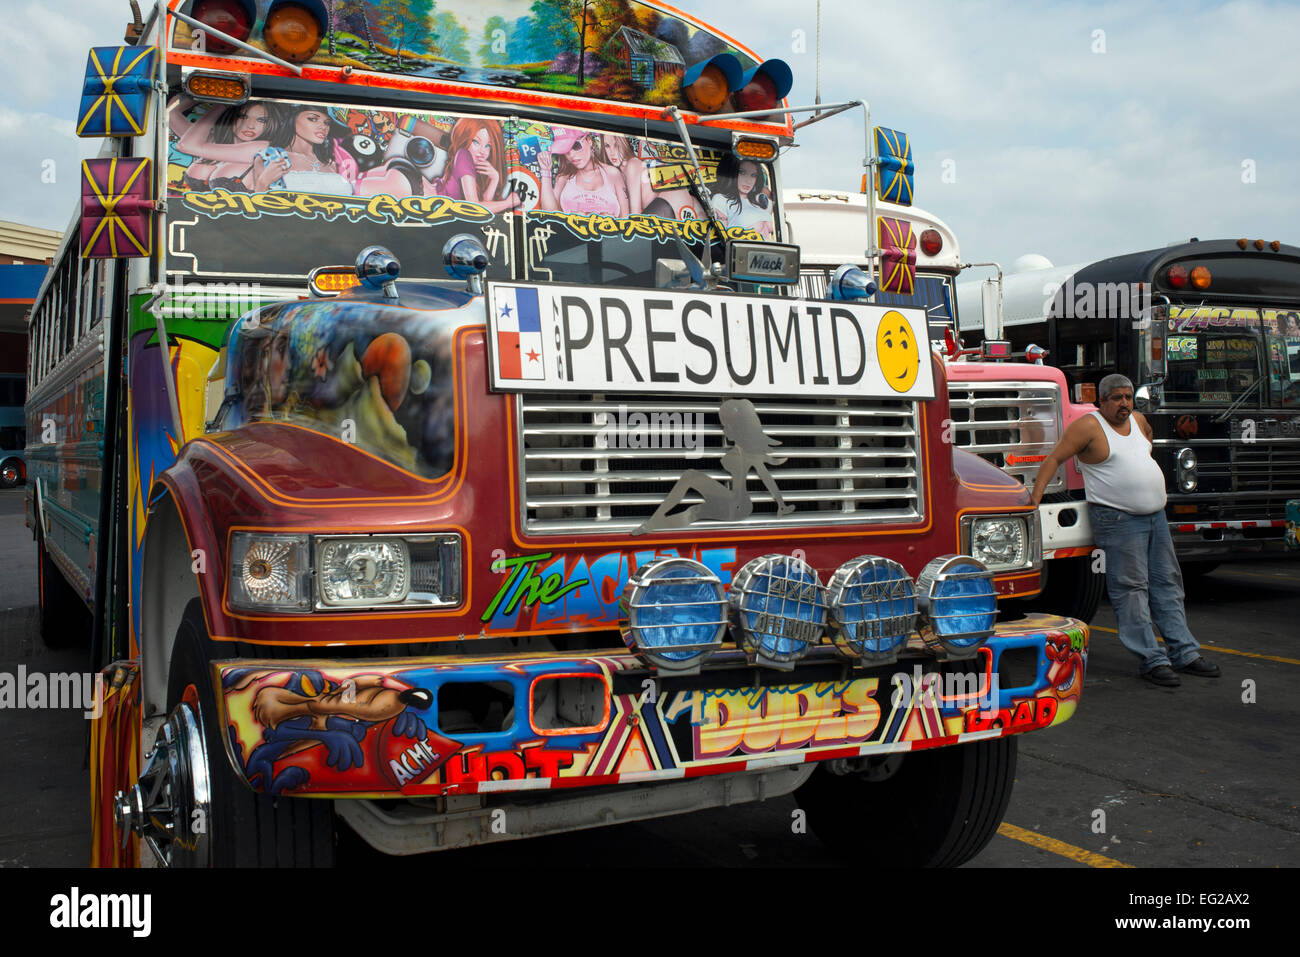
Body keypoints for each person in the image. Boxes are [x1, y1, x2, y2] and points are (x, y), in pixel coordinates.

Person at [1030, 374, 1219, 687]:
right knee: (1131, 589)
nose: (1124, 404)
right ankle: (1152, 659)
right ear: (1101, 401)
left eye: (1128, 397)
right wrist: (1034, 500)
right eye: (1116, 398)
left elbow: (1143, 455)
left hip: (1155, 517)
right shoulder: (1088, 426)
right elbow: (1054, 459)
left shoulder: (1140, 421)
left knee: (1167, 584)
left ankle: (1184, 652)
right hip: (1117, 520)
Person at [172, 96, 276, 191]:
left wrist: (222, 104)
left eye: (261, 120)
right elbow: (172, 115)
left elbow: (185, 146)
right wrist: (204, 94)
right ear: (231, 116)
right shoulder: (211, 142)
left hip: (242, 211)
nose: (250, 126)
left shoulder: (261, 149)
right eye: (242, 117)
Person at [251, 105, 355, 194]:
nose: (323, 127)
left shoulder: (331, 163)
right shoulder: (271, 157)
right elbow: (259, 209)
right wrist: (262, 183)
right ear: (293, 119)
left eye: (326, 123)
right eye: (313, 119)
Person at [538, 129, 628, 217]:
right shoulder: (564, 177)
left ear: (589, 141)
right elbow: (549, 215)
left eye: (576, 146)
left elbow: (626, 218)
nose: (571, 155)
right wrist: (545, 172)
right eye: (565, 150)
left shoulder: (612, 174)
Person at [433, 118, 516, 212]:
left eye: (488, 146)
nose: (482, 151)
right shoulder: (463, 154)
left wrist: (494, 178)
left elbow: (485, 205)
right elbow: (475, 208)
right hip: (426, 201)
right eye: (476, 142)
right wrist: (508, 203)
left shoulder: (477, 167)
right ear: (464, 139)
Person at [709, 154, 774, 238]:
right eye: (742, 173)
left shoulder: (759, 201)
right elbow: (721, 237)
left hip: (768, 249)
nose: (748, 181)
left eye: (753, 175)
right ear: (732, 173)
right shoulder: (721, 199)